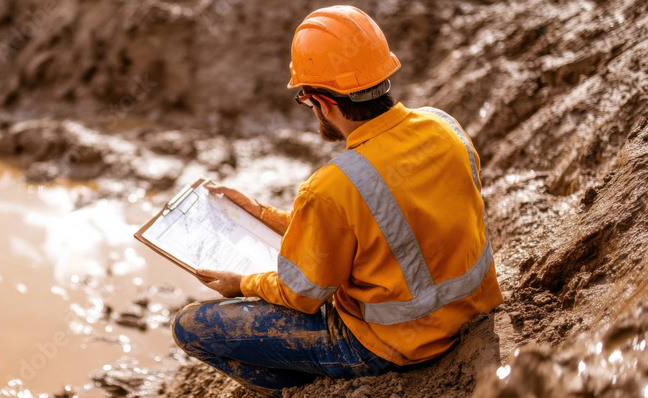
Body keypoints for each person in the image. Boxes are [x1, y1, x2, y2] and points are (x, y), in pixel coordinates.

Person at [171, 5, 504, 397]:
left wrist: (240, 283)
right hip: (470, 314)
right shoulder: (442, 125)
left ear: (321, 102)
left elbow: (303, 293)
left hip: (392, 345)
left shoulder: (333, 186)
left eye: (306, 101)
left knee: (190, 326)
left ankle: (302, 390)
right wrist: (260, 213)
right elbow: (370, 220)